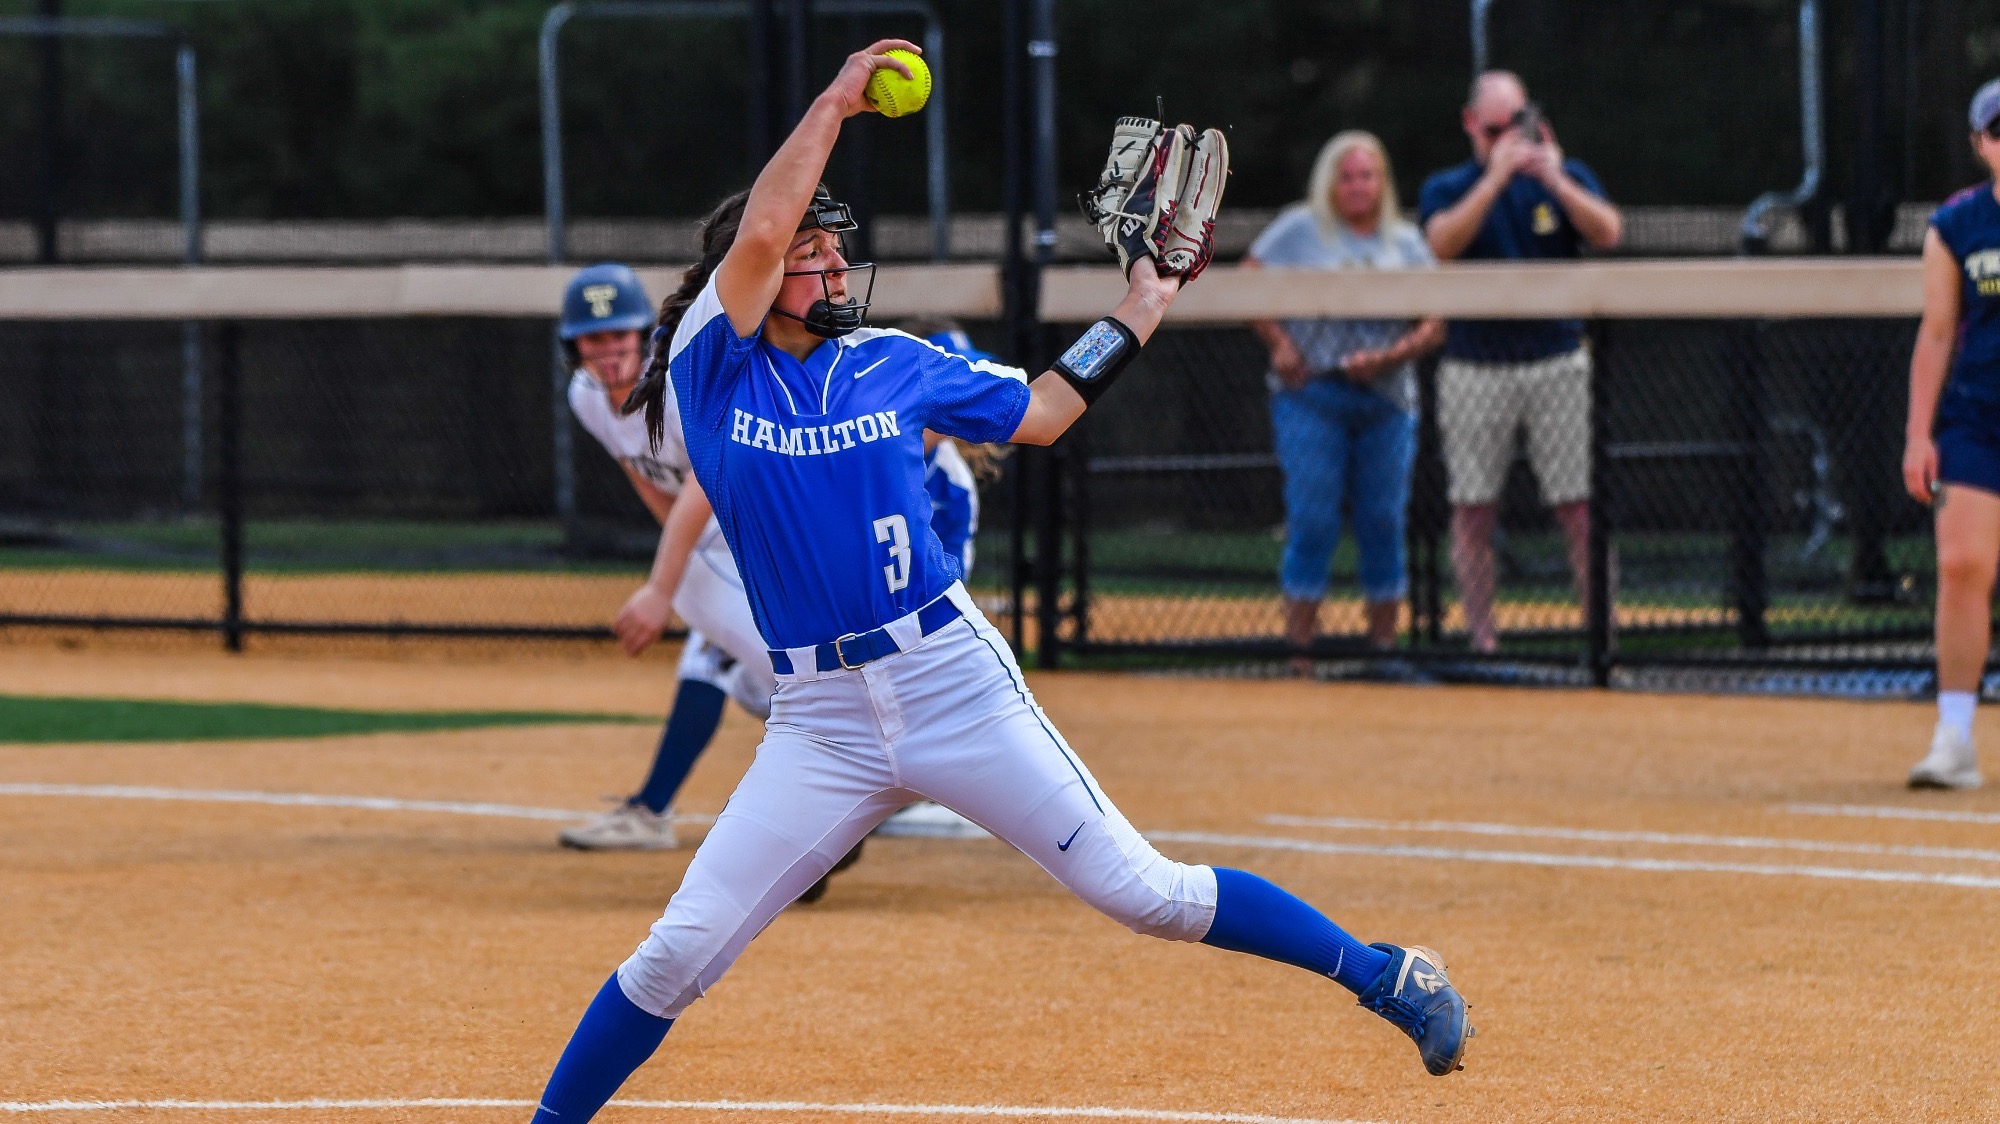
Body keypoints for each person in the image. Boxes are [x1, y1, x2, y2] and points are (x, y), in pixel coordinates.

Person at [524, 43, 1472, 1123]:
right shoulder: (709, 363)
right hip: (818, 720)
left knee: (1145, 894)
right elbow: (752, 233)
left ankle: (1386, 973)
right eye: (814, 253)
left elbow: (1043, 412)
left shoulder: (893, 358)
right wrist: (836, 101)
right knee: (676, 951)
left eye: (838, 251)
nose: (834, 268)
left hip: (947, 679)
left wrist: (1143, 303)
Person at [556, 265, 963, 893]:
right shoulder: (586, 396)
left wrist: (663, 584)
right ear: (573, 348)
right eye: (592, 339)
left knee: (795, 671)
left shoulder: (673, 385)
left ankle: (863, 786)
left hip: (767, 527)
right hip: (723, 541)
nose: (608, 351)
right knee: (756, 671)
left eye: (619, 335)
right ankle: (843, 803)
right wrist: (678, 560)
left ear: (645, 334)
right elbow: (644, 473)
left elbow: (701, 481)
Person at [1419, 71, 1623, 652]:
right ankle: (1483, 642)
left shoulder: (1563, 176)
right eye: (1494, 129)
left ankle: (1600, 639)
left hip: (1556, 360)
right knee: (1473, 512)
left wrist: (1552, 176)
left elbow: (1608, 231)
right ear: (1470, 124)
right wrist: (1496, 175)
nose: (1508, 138)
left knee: (1581, 509)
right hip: (1475, 364)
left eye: (1517, 126)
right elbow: (1440, 244)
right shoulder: (1449, 185)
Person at [1245, 130, 1443, 671]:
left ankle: (1384, 650)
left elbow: (1435, 320)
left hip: (1386, 399)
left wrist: (1390, 355)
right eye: (1347, 175)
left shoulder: (1405, 243)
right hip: (1312, 393)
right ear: (1329, 182)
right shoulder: (1299, 230)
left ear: (1383, 183)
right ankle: (1300, 653)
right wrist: (1282, 344)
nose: (1357, 186)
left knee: (1382, 518)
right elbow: (1246, 284)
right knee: (1313, 518)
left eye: (1368, 175)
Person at [1902, 77, 2000, 790]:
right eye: (1998, 132)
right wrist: (1918, 434)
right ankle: (1955, 738)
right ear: (1979, 144)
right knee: (1962, 564)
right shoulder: (1957, 223)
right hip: (1978, 415)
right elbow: (1937, 331)